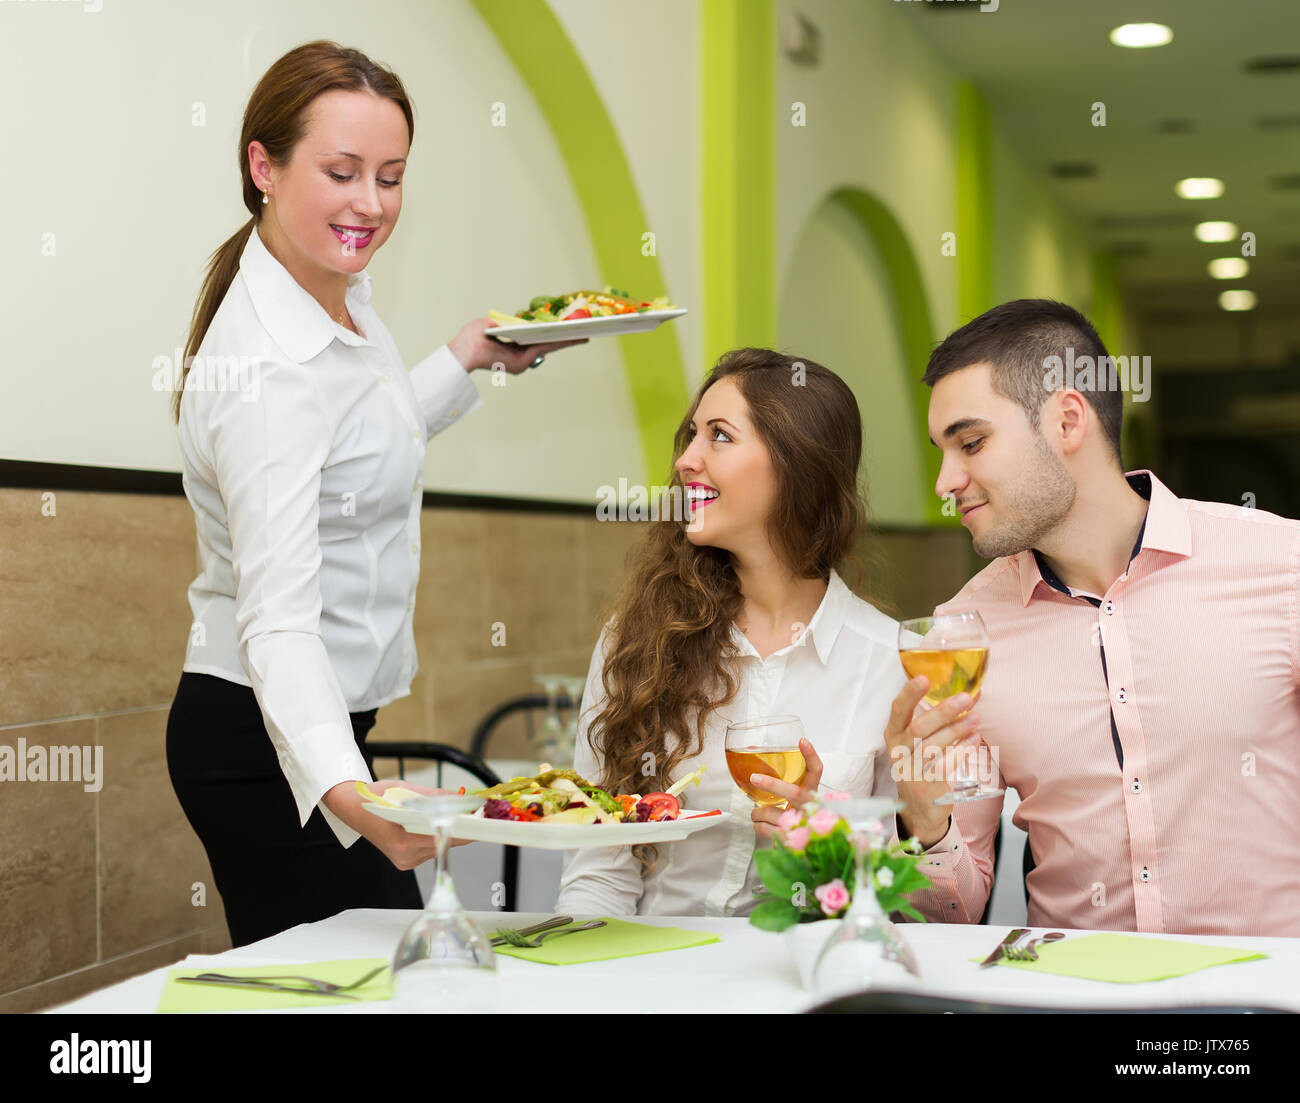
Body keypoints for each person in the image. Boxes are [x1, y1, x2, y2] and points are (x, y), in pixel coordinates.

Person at [164, 41, 585, 948]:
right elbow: (275, 620)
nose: (371, 204)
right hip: (259, 743)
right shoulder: (268, 369)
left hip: (306, 731)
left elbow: (359, 446)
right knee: (377, 971)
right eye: (342, 172)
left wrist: (467, 356)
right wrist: (348, 792)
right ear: (263, 166)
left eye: (391, 177)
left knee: (367, 973)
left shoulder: (336, 293)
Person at [759, 299, 1300, 937]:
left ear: (1068, 420)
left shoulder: (1281, 564)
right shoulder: (961, 633)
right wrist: (925, 826)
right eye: (942, 451)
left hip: (1264, 998)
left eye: (971, 443)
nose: (945, 480)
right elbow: (951, 911)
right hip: (1067, 997)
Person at [555, 347, 906, 917]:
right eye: (692, 435)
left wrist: (828, 849)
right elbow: (599, 871)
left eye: (719, 436)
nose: (687, 460)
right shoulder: (636, 639)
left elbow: (899, 901)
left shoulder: (890, 661)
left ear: (798, 464)